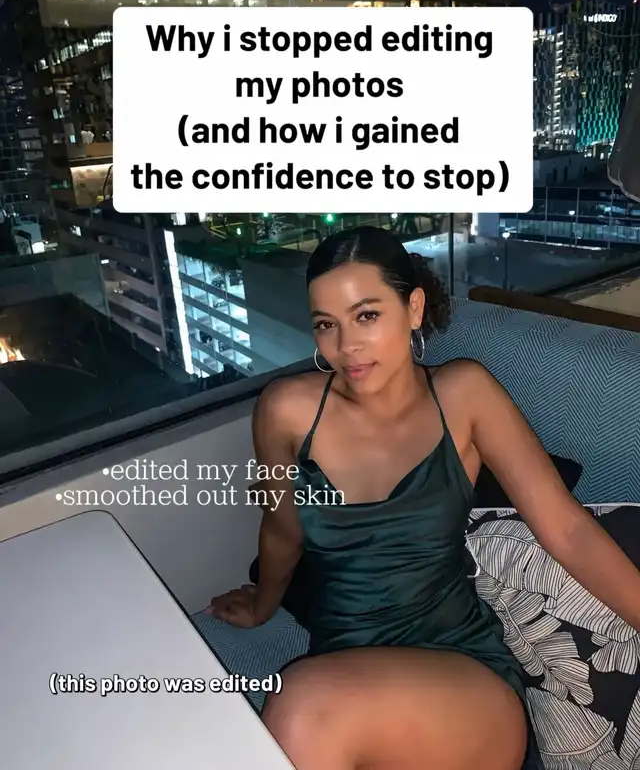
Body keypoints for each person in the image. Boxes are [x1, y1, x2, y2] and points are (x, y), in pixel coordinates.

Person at [208, 226, 640, 770]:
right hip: (349, 670)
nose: (347, 346)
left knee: (303, 709)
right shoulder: (285, 411)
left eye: (367, 315)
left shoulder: (464, 394)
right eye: (326, 325)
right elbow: (283, 528)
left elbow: (569, 531)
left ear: (412, 309)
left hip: (464, 680)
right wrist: (262, 606)